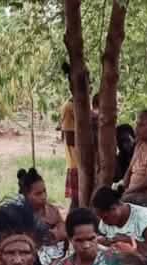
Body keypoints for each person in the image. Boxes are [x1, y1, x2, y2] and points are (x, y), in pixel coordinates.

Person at [91, 186, 147, 261]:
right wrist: (103, 241)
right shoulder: (105, 222)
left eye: (105, 218)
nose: (103, 222)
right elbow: (103, 241)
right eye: (101, 218)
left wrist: (130, 242)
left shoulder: (141, 216)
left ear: (114, 208)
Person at [17, 167, 67, 265]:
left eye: (45, 191)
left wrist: (57, 233)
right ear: (26, 195)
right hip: (37, 254)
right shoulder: (21, 215)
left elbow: (63, 230)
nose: (44, 196)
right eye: (38, 194)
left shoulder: (52, 210)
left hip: (57, 250)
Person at [61, 63, 82, 208]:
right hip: (76, 162)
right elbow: (69, 138)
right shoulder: (69, 108)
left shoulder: (82, 106)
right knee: (77, 200)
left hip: (83, 162)